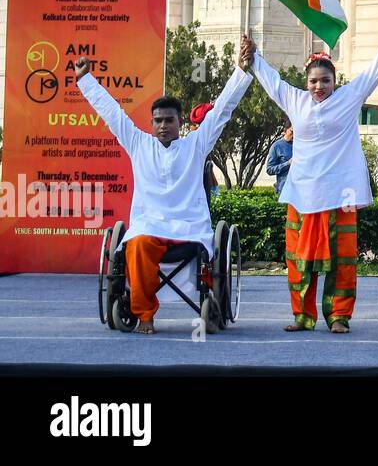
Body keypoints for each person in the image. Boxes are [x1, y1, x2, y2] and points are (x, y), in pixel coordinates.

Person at [74, 53, 252, 334]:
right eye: (157, 120)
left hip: (190, 227)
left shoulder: (196, 144)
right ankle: (145, 314)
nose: (163, 125)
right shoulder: (138, 144)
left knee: (191, 247)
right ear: (151, 123)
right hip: (151, 224)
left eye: (169, 120)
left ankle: (205, 303)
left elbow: (222, 111)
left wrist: (241, 72)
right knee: (137, 244)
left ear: (180, 122)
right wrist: (85, 80)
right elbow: (111, 113)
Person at [244, 32, 378, 334]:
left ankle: (339, 316)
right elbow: (272, 82)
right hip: (303, 194)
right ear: (306, 82)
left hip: (342, 194)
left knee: (343, 261)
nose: (319, 87)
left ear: (334, 81)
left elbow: (372, 73)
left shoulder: (349, 97)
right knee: (300, 260)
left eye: (325, 80)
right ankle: (303, 316)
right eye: (314, 81)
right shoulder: (295, 100)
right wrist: (253, 57)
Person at [266, 124, 294, 197]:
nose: (294, 135)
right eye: (292, 131)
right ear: (285, 130)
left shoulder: (302, 146)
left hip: (302, 190)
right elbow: (269, 169)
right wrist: (288, 163)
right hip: (285, 192)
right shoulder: (276, 146)